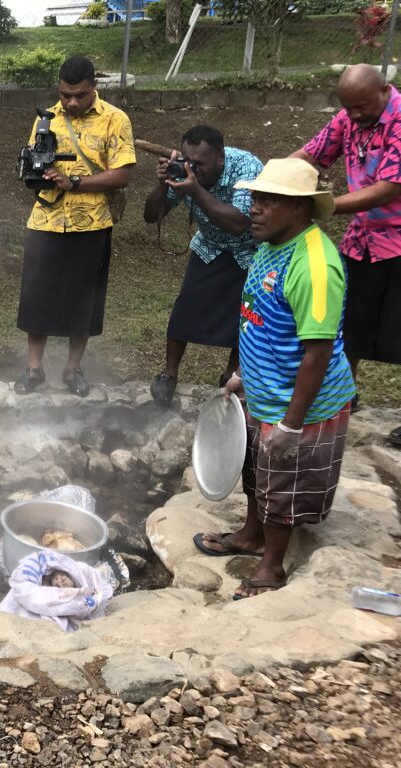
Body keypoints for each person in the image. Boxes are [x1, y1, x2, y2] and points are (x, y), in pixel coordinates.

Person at [194, 158, 355, 599]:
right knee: (257, 472)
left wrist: (291, 424)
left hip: (302, 403)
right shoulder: (270, 244)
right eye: (255, 199)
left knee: (283, 485)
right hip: (265, 389)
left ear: (300, 208)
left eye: (269, 201)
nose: (255, 209)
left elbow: (318, 352)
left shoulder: (315, 266)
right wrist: (244, 374)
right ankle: (250, 533)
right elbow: (260, 317)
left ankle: (271, 567)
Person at [292, 63, 401, 446]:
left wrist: (325, 205)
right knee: (348, 323)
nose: (354, 116)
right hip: (362, 240)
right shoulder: (347, 118)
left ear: (384, 90)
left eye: (361, 107)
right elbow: (312, 155)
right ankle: (344, 397)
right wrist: (279, 180)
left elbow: (388, 188)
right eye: (348, 107)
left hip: (399, 239)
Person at [14, 55, 135, 396]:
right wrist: (38, 173)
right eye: (65, 94)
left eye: (79, 95)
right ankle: (34, 369)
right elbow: (34, 163)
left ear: (94, 86)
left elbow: (123, 174)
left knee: (84, 299)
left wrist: (75, 182)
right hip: (46, 220)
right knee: (36, 296)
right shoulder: (46, 119)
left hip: (91, 223)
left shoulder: (116, 120)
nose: (71, 102)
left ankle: (72, 370)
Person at [143, 125, 262, 404]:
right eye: (188, 161)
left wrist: (195, 191)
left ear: (220, 157)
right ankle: (169, 375)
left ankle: (231, 375)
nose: (193, 169)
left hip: (248, 250)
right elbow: (151, 215)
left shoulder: (247, 167)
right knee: (186, 306)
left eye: (201, 164)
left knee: (244, 318)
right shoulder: (185, 170)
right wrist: (162, 184)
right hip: (208, 247)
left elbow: (238, 222)